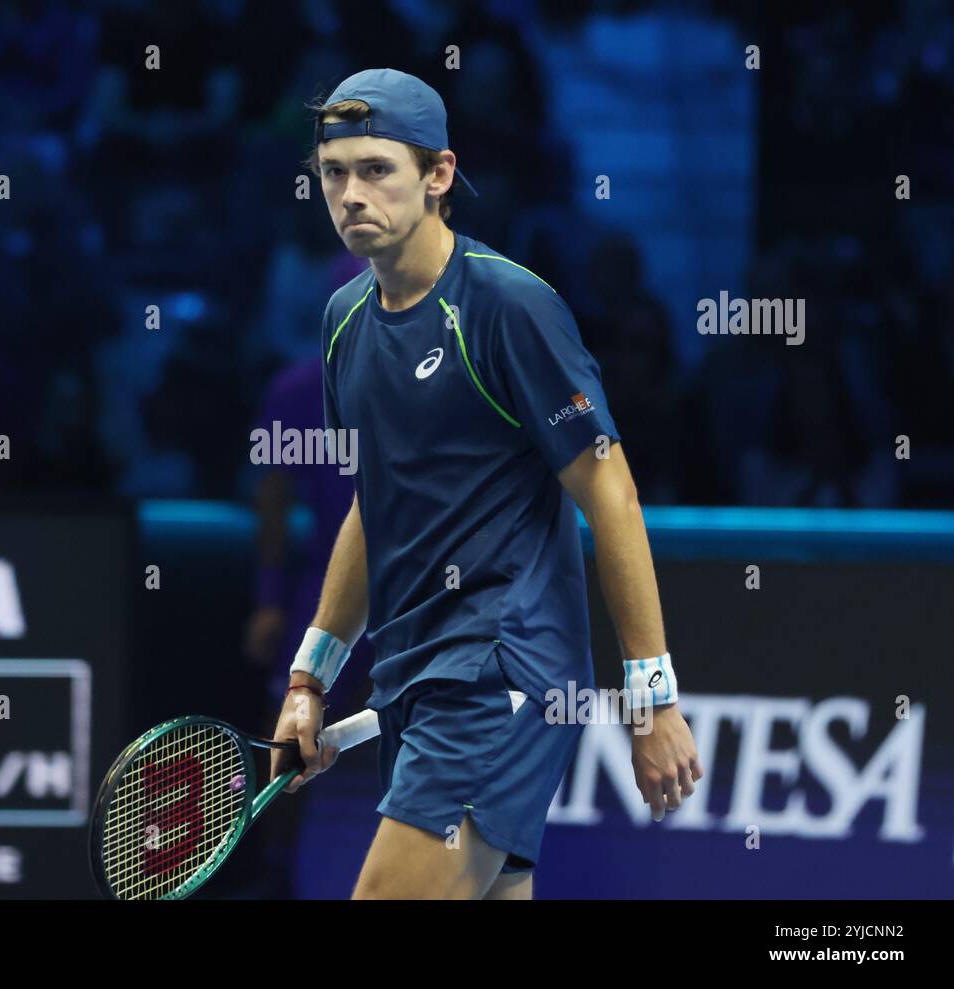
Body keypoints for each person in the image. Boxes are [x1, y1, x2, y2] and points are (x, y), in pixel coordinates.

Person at [268, 69, 703, 900]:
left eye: (376, 169)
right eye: (333, 172)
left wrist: (652, 693)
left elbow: (609, 490)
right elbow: (376, 503)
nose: (350, 193)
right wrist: (309, 677)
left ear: (437, 175)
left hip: (502, 673)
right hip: (417, 681)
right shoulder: (343, 323)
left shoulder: (509, 306)